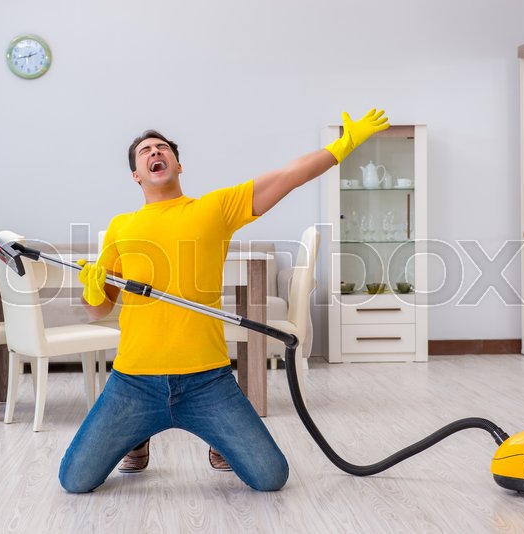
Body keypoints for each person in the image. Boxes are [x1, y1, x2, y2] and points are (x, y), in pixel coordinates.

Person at [58, 106, 389, 492]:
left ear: (178, 164)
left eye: (161, 148)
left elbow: (289, 177)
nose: (154, 153)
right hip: (133, 382)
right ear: (136, 174)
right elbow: (99, 308)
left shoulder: (215, 208)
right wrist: (93, 287)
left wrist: (343, 145)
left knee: (270, 477)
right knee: (75, 481)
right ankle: (138, 433)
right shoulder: (122, 226)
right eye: (145, 151)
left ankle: (212, 428)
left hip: (206, 380)